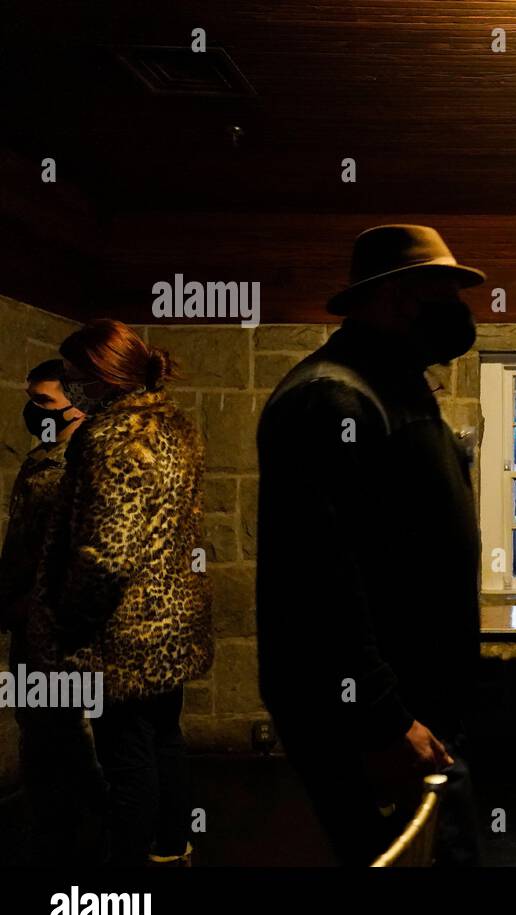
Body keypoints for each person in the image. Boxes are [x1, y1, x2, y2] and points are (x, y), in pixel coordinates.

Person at [256, 224, 484, 866]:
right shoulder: (331, 398)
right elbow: (320, 583)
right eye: (443, 292)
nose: (458, 312)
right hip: (372, 723)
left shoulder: (394, 382)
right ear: (395, 298)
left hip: (418, 708)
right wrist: (383, 722)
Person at [27, 320, 213, 866]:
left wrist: (66, 620)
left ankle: (126, 885)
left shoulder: (113, 439)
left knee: (126, 759)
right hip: (170, 624)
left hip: (121, 635)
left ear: (103, 376)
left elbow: (106, 554)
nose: (71, 386)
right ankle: (171, 848)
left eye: (74, 375)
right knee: (164, 740)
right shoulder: (175, 427)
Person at [0, 360, 103, 862]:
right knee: (39, 728)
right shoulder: (41, 458)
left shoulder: (79, 465)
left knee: (66, 731)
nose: (32, 409)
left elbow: (77, 551)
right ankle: (51, 831)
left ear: (77, 405)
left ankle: (87, 837)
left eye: (43, 400)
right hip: (25, 620)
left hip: (55, 627)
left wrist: (40, 604)